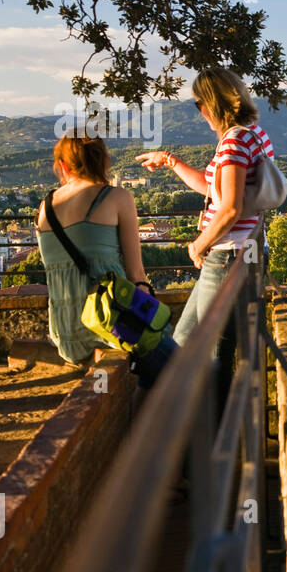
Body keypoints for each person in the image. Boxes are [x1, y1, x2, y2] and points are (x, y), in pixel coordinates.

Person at [136, 68, 273, 382]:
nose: (199, 112)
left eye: (198, 104)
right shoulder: (253, 134)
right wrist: (170, 160)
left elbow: (230, 209)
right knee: (183, 341)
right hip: (238, 254)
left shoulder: (234, 142)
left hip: (227, 256)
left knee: (212, 355)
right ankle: (181, 416)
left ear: (211, 104)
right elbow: (214, 188)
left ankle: (212, 425)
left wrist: (198, 244)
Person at [37, 129, 177, 392]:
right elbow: (136, 274)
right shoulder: (116, 197)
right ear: (103, 161)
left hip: (65, 332)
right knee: (186, 370)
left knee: (147, 380)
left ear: (63, 166)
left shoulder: (45, 208)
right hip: (109, 324)